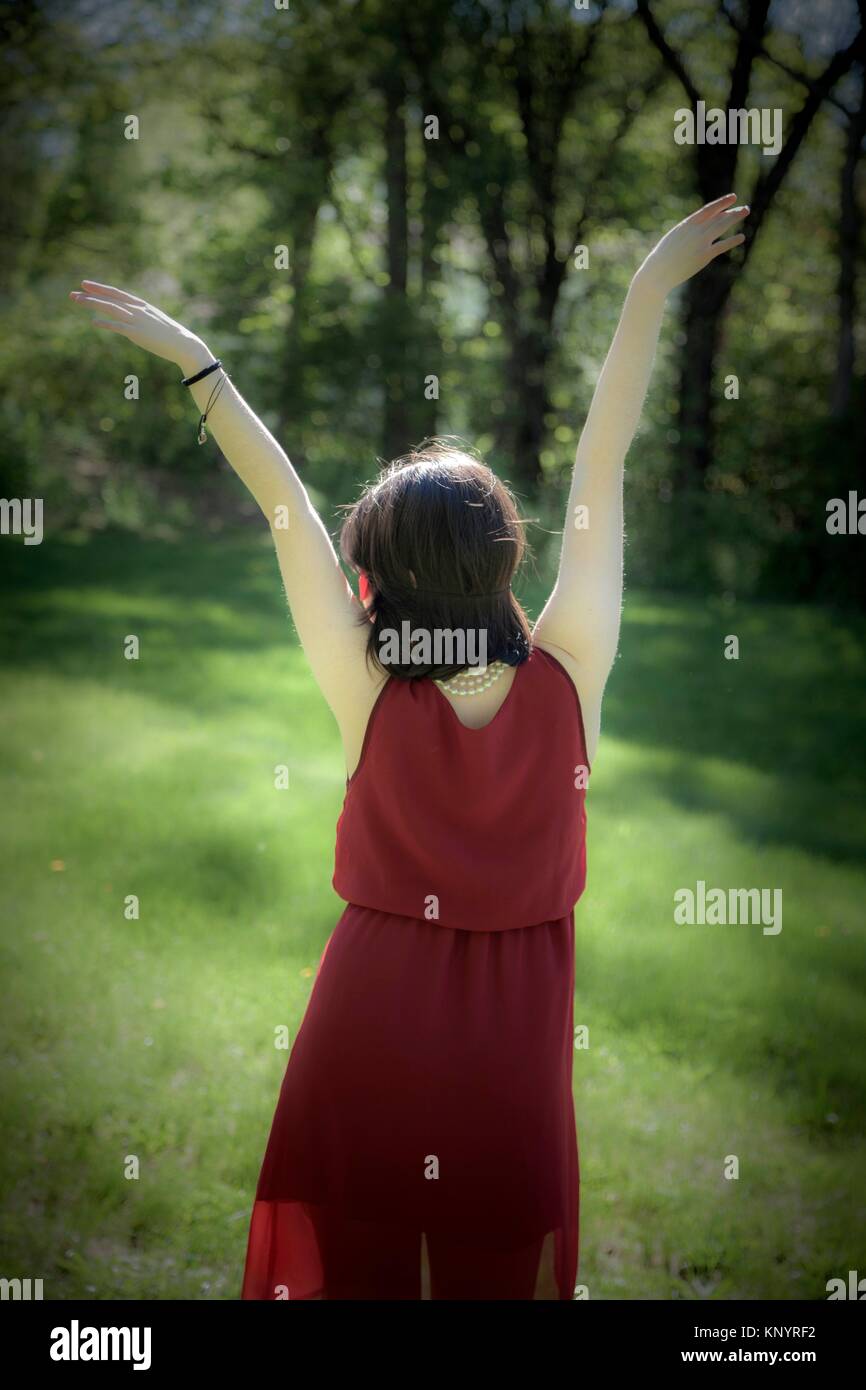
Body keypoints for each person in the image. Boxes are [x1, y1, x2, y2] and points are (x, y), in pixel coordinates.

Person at [70, 194, 748, 1300]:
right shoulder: (571, 671)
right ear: (504, 555)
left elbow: (280, 502)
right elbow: (603, 458)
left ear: (376, 572)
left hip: (367, 1031)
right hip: (513, 1061)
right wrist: (643, 293)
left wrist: (201, 363)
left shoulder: (366, 688)